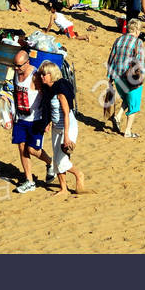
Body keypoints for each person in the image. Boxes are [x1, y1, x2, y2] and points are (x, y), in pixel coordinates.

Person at [4, 50, 52, 192]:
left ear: (27, 62)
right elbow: (7, 90)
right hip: (20, 118)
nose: (16, 68)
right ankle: (29, 180)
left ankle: (51, 163)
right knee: (21, 147)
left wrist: (47, 120)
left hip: (35, 119)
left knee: (32, 149)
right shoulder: (13, 73)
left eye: (19, 66)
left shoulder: (35, 77)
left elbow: (46, 98)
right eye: (15, 65)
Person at [38, 63, 86, 195]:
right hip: (56, 127)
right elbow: (49, 109)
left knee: (61, 160)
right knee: (56, 159)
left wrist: (66, 135)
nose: (42, 77)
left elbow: (66, 113)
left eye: (44, 74)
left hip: (68, 127)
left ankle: (79, 174)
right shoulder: (48, 90)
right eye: (41, 74)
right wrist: (47, 122)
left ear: (51, 74)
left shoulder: (60, 90)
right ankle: (63, 188)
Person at [104, 19, 145, 137]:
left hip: (117, 77)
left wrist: (109, 77)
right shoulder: (138, 42)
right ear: (137, 30)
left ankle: (117, 116)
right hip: (131, 78)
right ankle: (127, 131)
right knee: (134, 104)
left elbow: (111, 58)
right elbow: (140, 62)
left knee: (127, 98)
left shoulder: (118, 40)